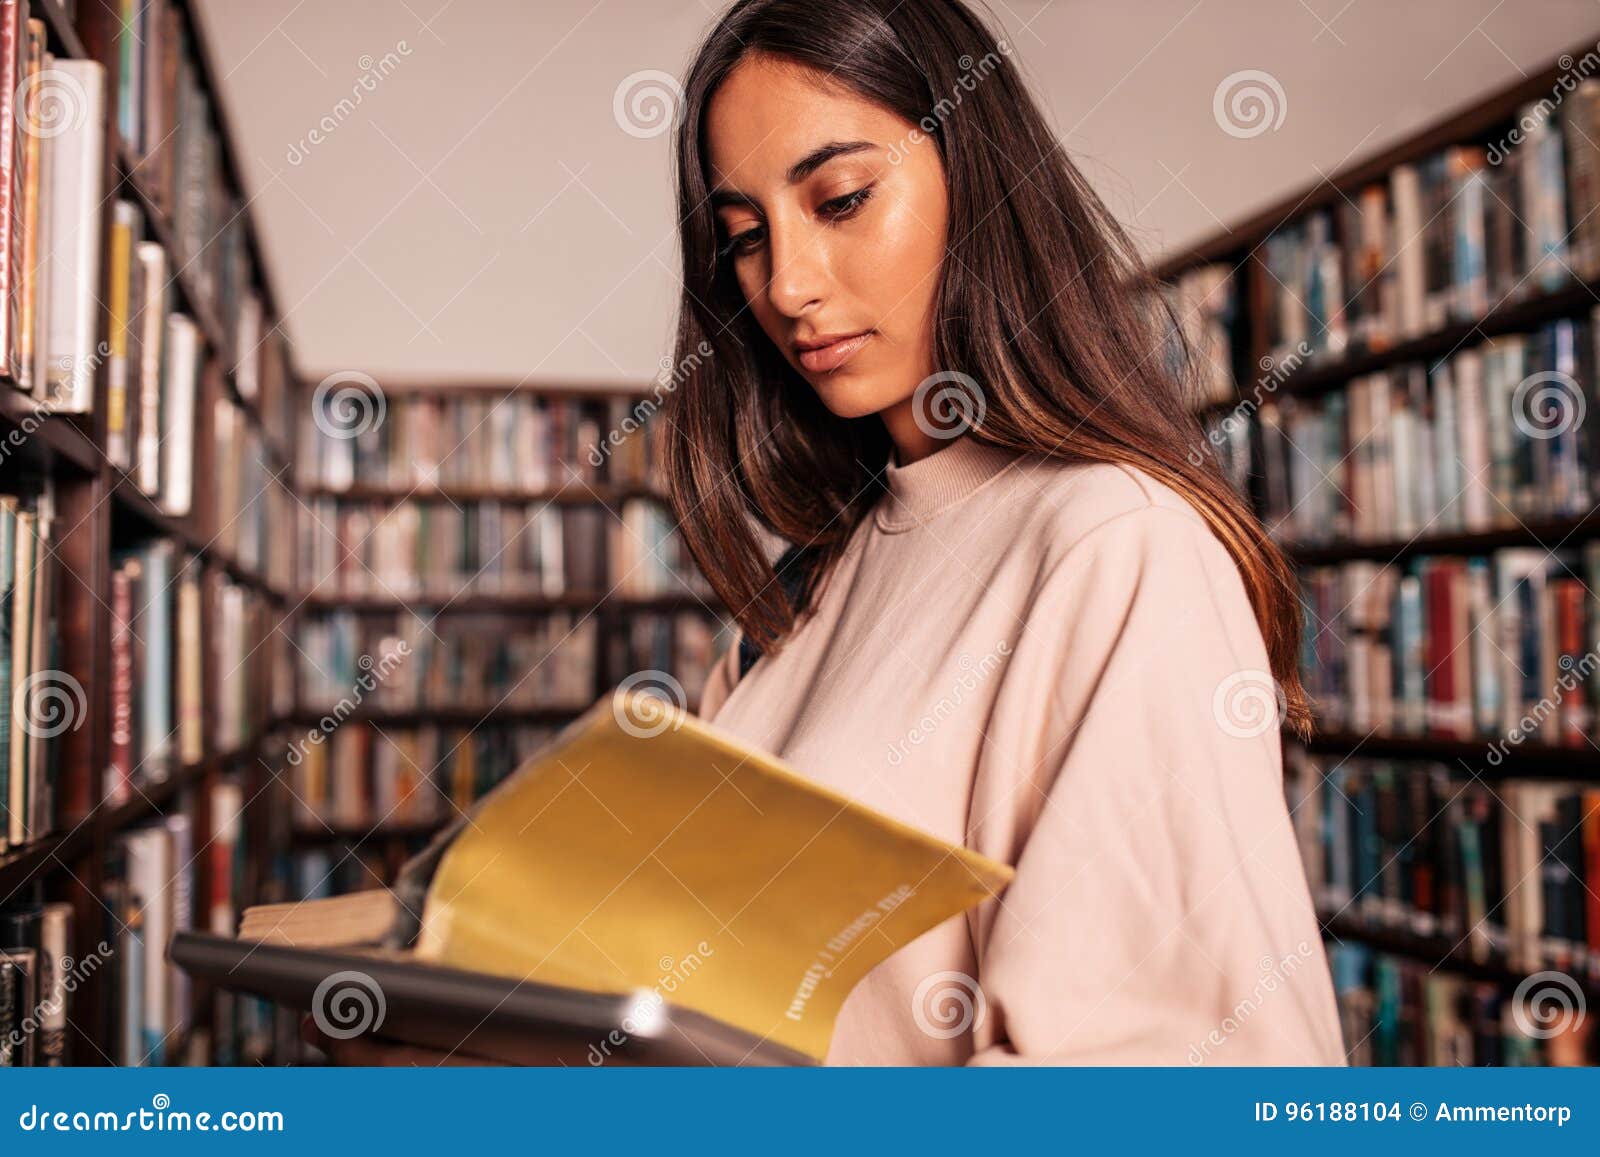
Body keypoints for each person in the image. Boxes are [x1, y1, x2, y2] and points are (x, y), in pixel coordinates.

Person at [313, 0, 1345, 1066]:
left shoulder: (1118, 547)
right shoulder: (810, 584)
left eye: (842, 199)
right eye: (746, 238)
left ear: (979, 177)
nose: (789, 286)